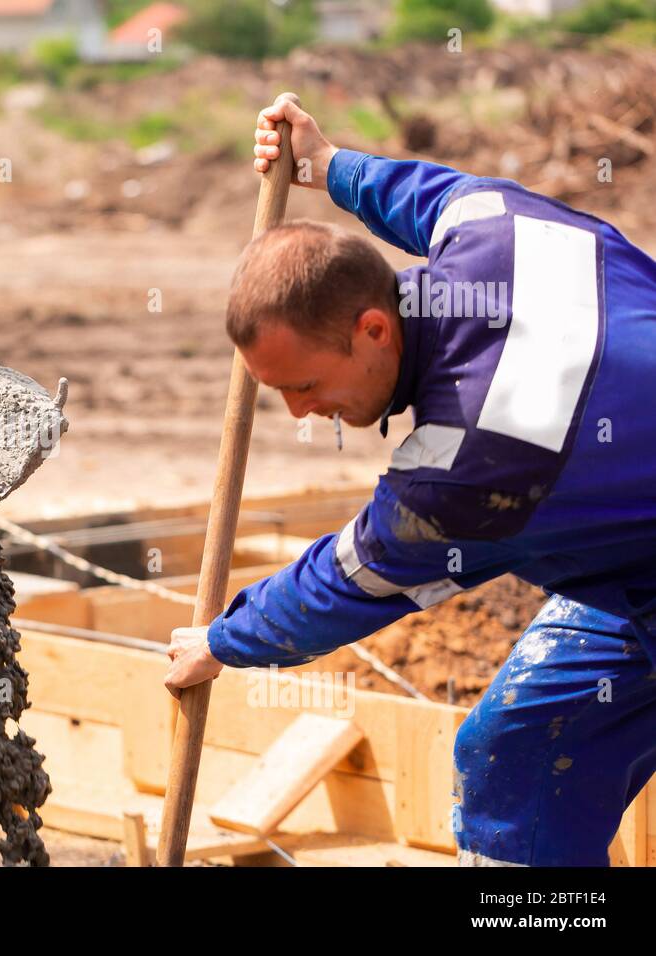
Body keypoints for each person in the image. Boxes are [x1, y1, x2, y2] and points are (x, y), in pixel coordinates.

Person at [164, 93, 656, 866]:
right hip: (638, 572)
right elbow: (424, 193)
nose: (297, 413)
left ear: (373, 329)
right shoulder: (492, 223)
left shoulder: (468, 462)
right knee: (519, 760)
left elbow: (351, 581)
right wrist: (330, 167)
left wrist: (223, 640)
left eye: (304, 386)